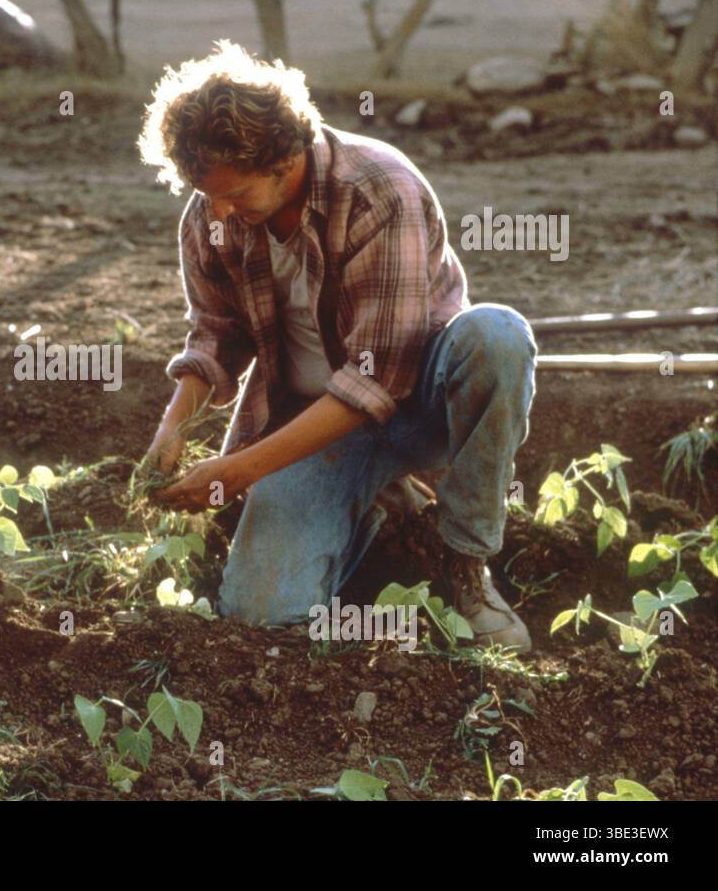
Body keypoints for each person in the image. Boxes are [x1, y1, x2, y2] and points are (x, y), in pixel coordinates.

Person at [137, 41, 537, 652]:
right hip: (312, 422)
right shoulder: (211, 213)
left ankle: (465, 562)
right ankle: (378, 506)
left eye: (235, 193)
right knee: (258, 614)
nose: (217, 210)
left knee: (498, 336)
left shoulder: (379, 190)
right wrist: (170, 433)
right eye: (204, 191)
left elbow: (374, 380)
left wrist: (237, 472)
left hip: (420, 406)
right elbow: (216, 332)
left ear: (282, 158)